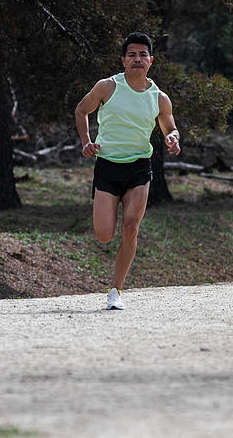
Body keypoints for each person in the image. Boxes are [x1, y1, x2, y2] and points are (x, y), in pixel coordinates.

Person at [74, 32, 180, 310]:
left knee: (131, 226)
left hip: (139, 167)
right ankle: (107, 230)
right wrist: (86, 142)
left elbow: (170, 126)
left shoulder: (160, 98)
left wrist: (173, 138)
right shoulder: (107, 87)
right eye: (131, 54)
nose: (137, 59)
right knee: (105, 235)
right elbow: (81, 110)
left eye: (142, 54)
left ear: (151, 61)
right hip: (108, 166)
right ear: (123, 60)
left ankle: (116, 291)